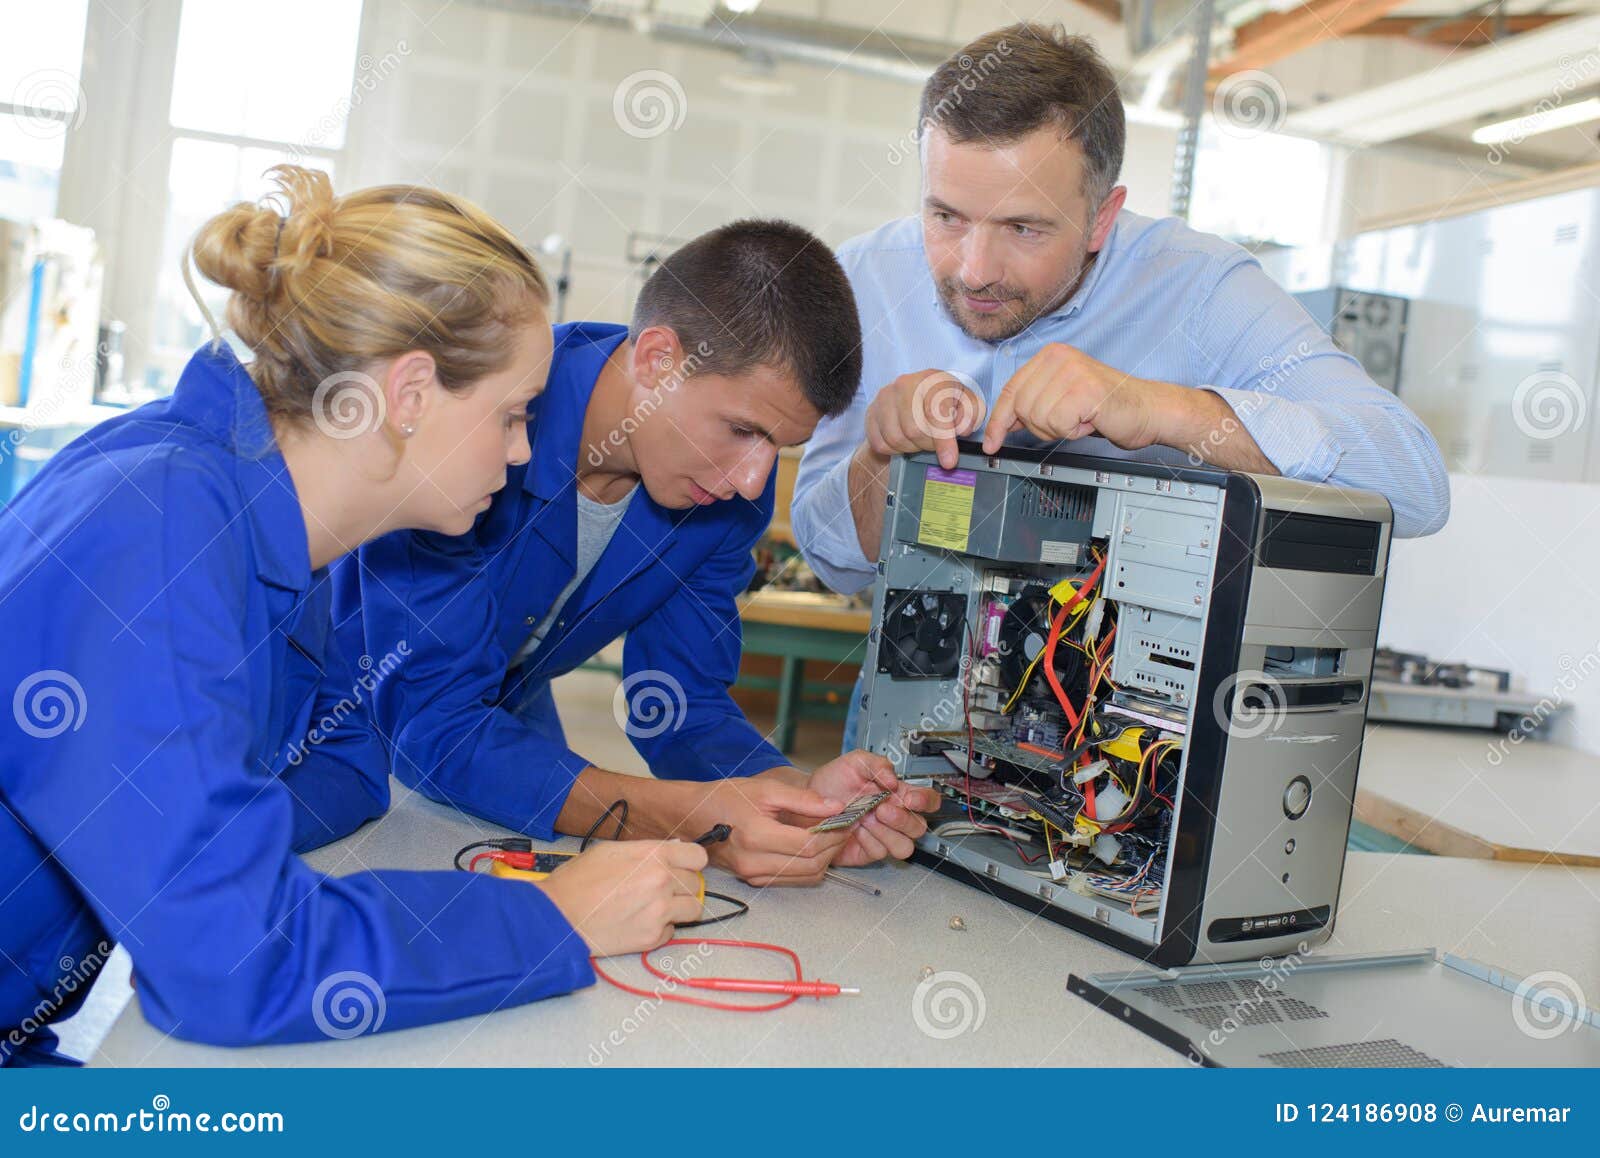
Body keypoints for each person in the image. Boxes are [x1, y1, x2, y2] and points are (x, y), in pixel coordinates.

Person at [0, 166, 704, 1064]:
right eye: (514, 413)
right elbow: (231, 964)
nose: (527, 451)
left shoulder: (256, 519)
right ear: (408, 397)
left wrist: (212, 868)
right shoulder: (160, 529)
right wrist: (550, 916)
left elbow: (338, 768)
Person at [790, 24, 1451, 747]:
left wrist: (1164, 409)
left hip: (1128, 736)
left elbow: (1414, 483)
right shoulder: (863, 281)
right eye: (945, 215)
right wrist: (878, 461)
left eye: (1024, 228)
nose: (974, 268)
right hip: (909, 706)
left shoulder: (1198, 289)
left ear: (1102, 215)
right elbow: (830, 560)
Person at [339, 221, 939, 887]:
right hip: (340, 715)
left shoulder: (728, 494)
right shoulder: (489, 427)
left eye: (779, 447)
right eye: (742, 430)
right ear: (658, 360)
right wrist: (690, 817)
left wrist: (793, 799)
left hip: (494, 724)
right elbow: (432, 724)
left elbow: (680, 699)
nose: (751, 480)